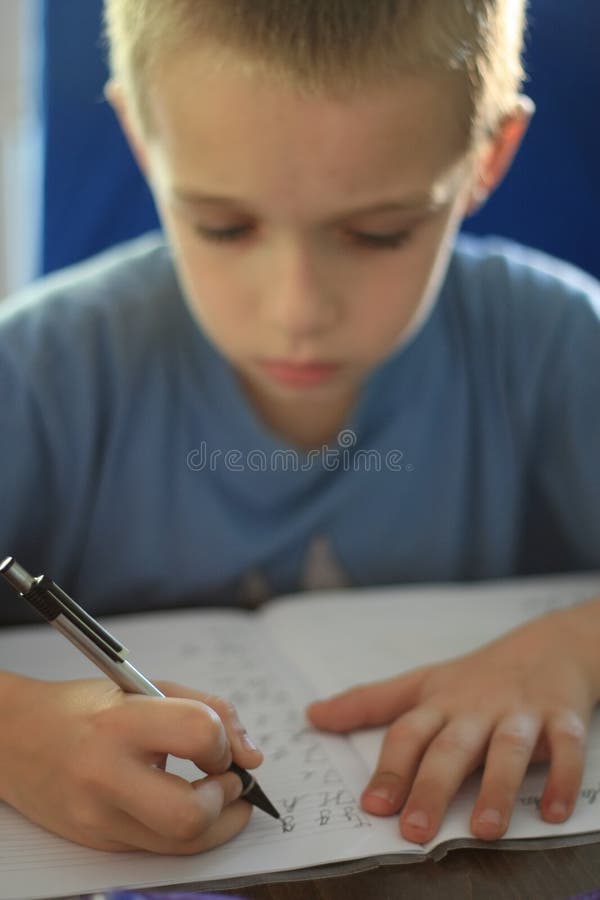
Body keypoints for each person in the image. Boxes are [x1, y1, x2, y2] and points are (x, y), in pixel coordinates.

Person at [1, 0, 599, 857]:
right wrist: (13, 732)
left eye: (377, 234)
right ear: (142, 138)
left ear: (487, 156)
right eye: (225, 227)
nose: (298, 311)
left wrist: (575, 647)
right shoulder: (39, 371)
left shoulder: (554, 345)